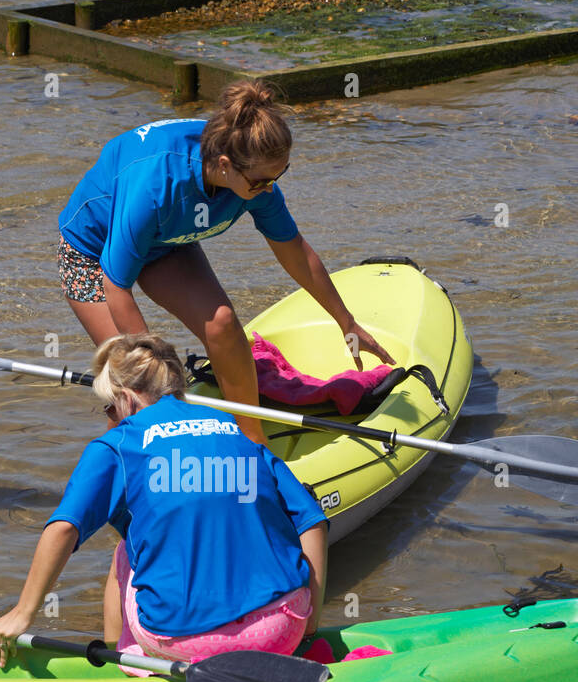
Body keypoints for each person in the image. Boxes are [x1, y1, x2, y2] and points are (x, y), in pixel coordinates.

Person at [56, 79, 393, 445]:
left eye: (279, 176)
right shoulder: (154, 186)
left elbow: (293, 249)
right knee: (137, 387)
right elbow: (116, 283)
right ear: (224, 165)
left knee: (223, 323)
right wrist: (149, 362)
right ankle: (116, 467)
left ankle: (254, 443)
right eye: (263, 181)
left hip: (165, 241)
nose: (270, 188)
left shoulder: (253, 173)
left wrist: (346, 321)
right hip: (91, 252)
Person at [0, 333, 328, 672]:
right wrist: (309, 621)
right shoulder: (233, 429)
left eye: (109, 407)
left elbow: (64, 528)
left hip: (187, 644)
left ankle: (120, 662)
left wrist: (23, 612)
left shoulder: (117, 444)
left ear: (127, 398)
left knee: (126, 551)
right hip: (283, 628)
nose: (109, 416)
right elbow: (311, 520)